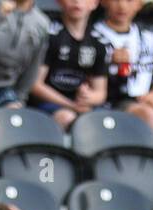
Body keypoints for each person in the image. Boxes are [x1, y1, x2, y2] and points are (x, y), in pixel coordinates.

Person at [91, 0, 153, 132]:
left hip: (147, 102)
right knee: (148, 115)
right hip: (113, 103)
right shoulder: (93, 36)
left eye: (129, 0)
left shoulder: (148, 38)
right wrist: (107, 61)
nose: (122, 6)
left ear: (139, 4)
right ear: (104, 2)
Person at [30, 0, 108, 129]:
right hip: (48, 104)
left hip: (81, 106)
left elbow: (100, 93)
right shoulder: (48, 36)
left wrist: (88, 97)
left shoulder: (99, 42)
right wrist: (70, 104)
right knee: (67, 117)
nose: (77, 2)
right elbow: (35, 85)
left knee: (104, 121)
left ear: (94, 3)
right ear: (59, 1)